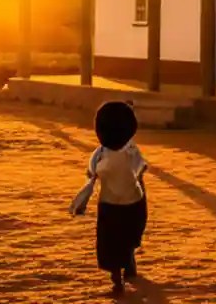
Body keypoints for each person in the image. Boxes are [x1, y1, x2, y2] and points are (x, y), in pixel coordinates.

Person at [82, 101, 148, 295]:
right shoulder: (132, 151)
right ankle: (128, 263)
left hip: (109, 204)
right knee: (129, 235)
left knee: (110, 242)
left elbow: (91, 174)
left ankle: (117, 279)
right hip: (132, 201)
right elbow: (140, 171)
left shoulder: (100, 154)